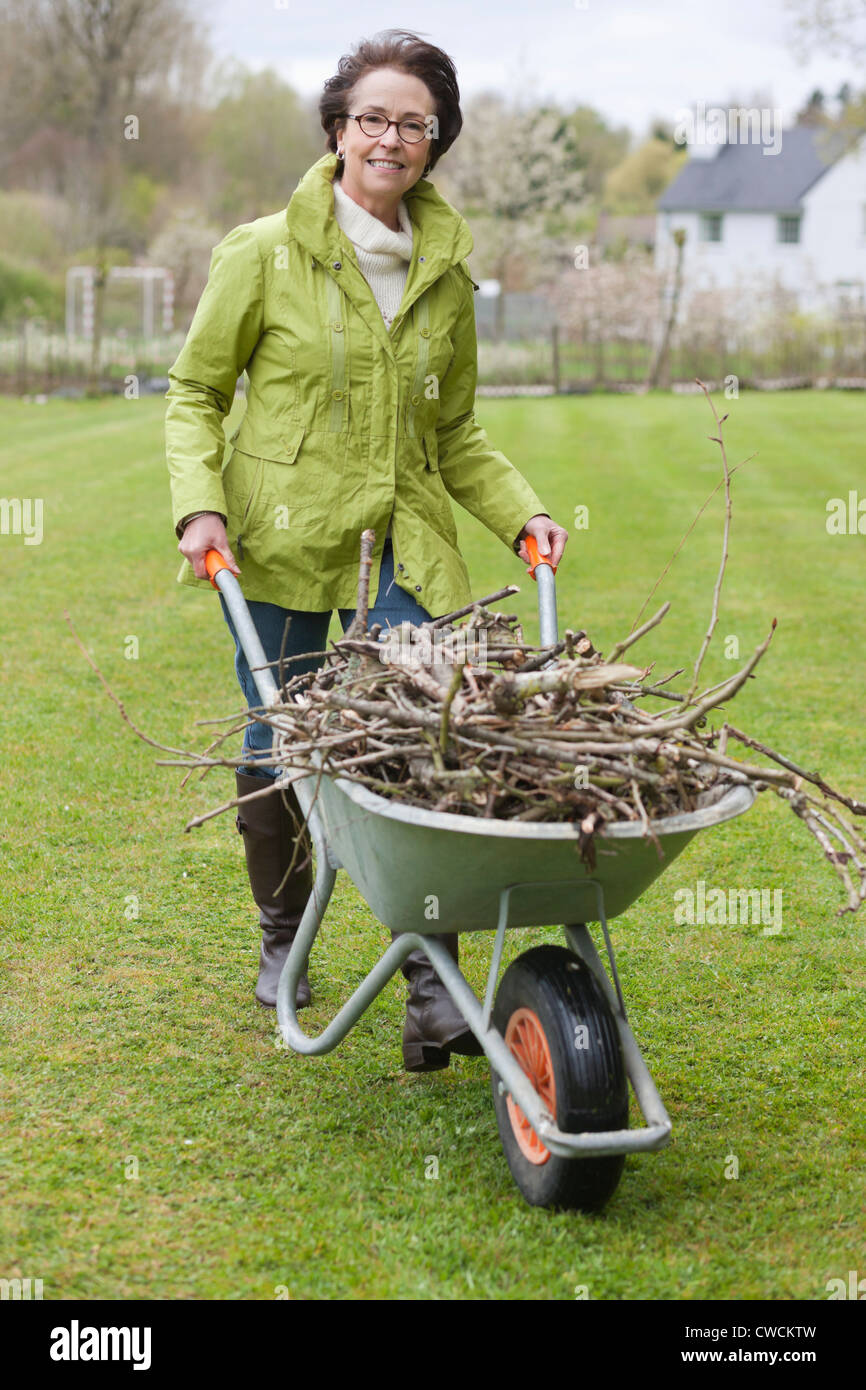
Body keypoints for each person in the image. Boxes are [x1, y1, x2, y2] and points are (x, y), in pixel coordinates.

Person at [165, 28, 569, 1072]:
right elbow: (196, 394)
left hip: (405, 544)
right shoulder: (262, 250)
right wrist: (198, 507)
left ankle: (431, 989)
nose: (389, 138)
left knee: (420, 748)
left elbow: (456, 434)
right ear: (338, 128)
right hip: (282, 536)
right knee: (277, 751)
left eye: (413, 123)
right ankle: (278, 937)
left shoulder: (445, 271)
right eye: (372, 118)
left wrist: (520, 512)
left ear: (436, 143)